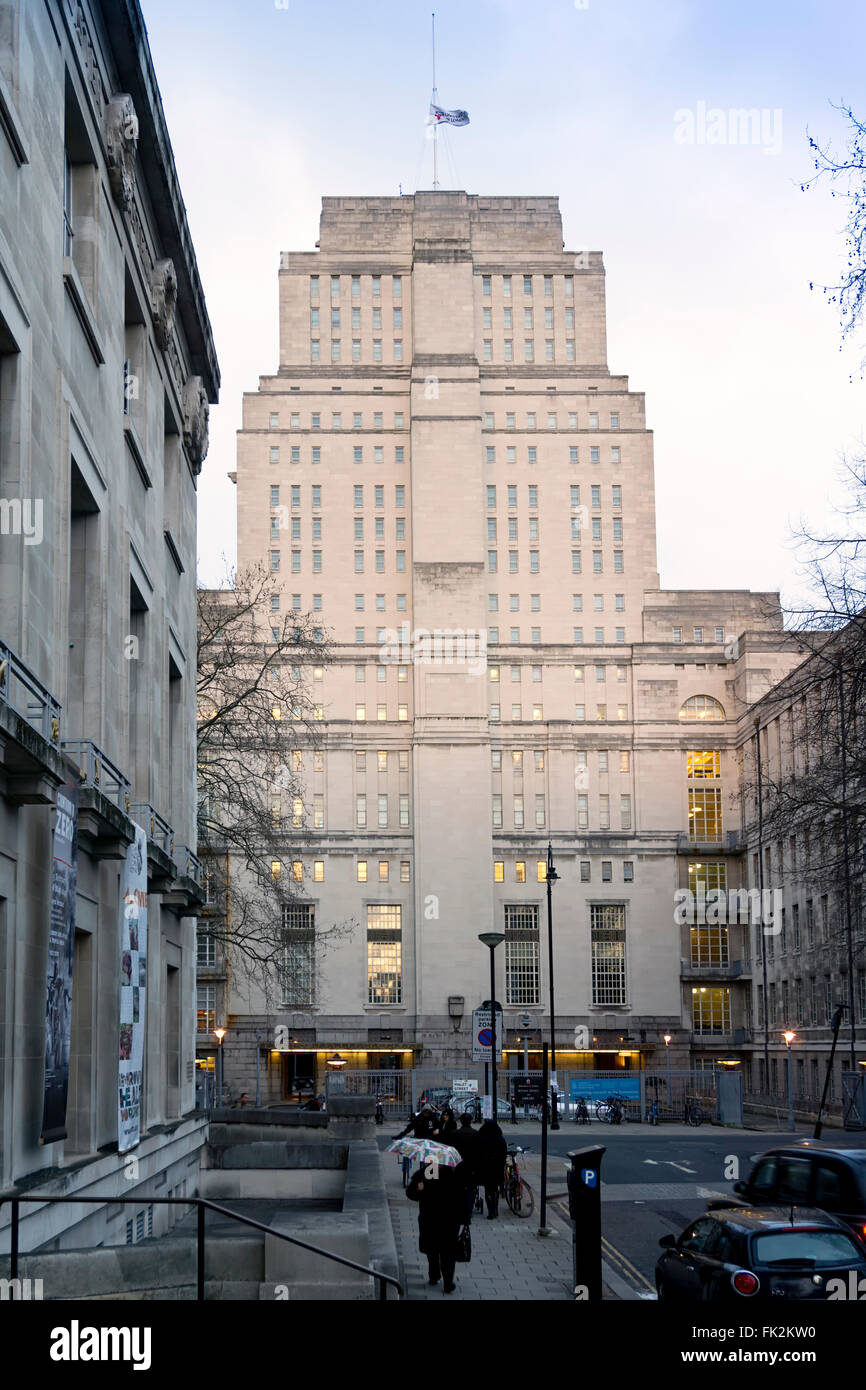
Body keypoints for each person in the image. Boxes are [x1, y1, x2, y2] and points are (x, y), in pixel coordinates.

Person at [406, 1158, 466, 1292]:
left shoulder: (452, 1175)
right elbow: (410, 1193)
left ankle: (447, 1282)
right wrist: (419, 1189)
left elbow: (461, 1198)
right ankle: (434, 1275)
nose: (435, 1164)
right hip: (431, 1220)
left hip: (447, 1221)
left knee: (447, 1253)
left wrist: (464, 1219)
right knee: (432, 1250)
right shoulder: (424, 1174)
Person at [475, 1119, 507, 1219]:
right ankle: (495, 1209)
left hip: (485, 1167)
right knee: (495, 1189)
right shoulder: (500, 1139)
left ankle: (491, 1211)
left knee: (488, 1189)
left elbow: (478, 1153)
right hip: (497, 1167)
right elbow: (504, 1154)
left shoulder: (481, 1138)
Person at [451, 1113, 479, 1221]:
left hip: (459, 1164)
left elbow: (453, 1150)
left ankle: (459, 1208)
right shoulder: (476, 1134)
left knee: (459, 1187)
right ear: (471, 1121)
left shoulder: (456, 1134)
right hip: (472, 1165)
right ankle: (469, 1210)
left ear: (460, 1121)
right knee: (471, 1188)